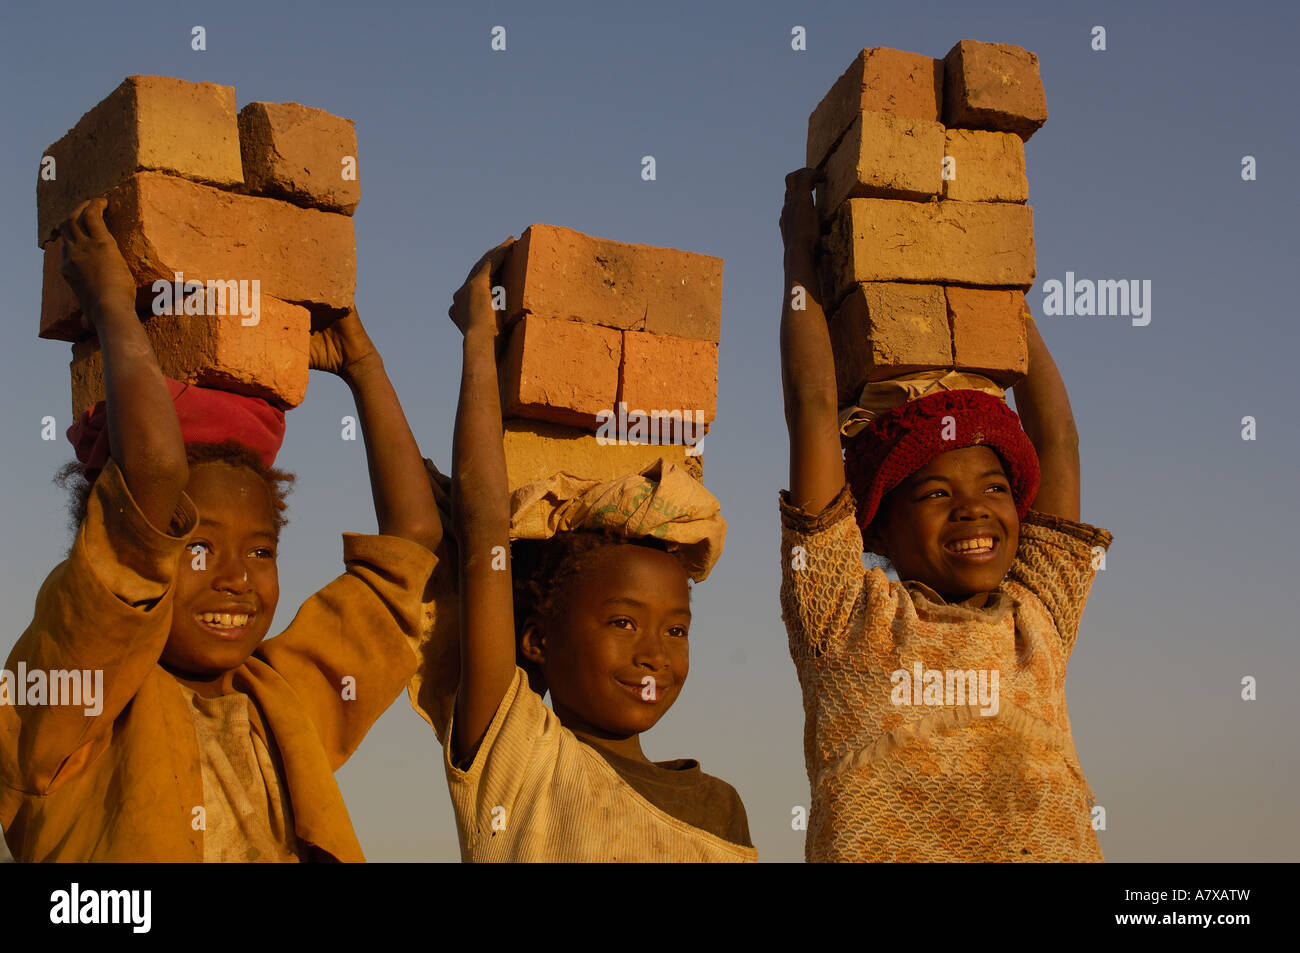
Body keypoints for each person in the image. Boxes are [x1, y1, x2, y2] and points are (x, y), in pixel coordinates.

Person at [0, 197, 440, 861]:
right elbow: (149, 482)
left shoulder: (284, 703)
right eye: (197, 545)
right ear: (129, 542)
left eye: (261, 550)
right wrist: (113, 303)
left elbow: (411, 546)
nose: (237, 578)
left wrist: (362, 366)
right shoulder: (74, 694)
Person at [778, 168, 1112, 861]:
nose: (973, 510)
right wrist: (799, 257)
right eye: (935, 493)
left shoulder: (1036, 619)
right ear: (877, 523)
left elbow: (1062, 444)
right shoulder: (847, 619)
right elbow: (813, 407)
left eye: (995, 488)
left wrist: (996, 293)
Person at [430, 239, 755, 861]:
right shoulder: (520, 754)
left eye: (677, 630)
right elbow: (482, 541)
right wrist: (477, 339)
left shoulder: (720, 807)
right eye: (622, 621)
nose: (654, 654)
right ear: (538, 641)